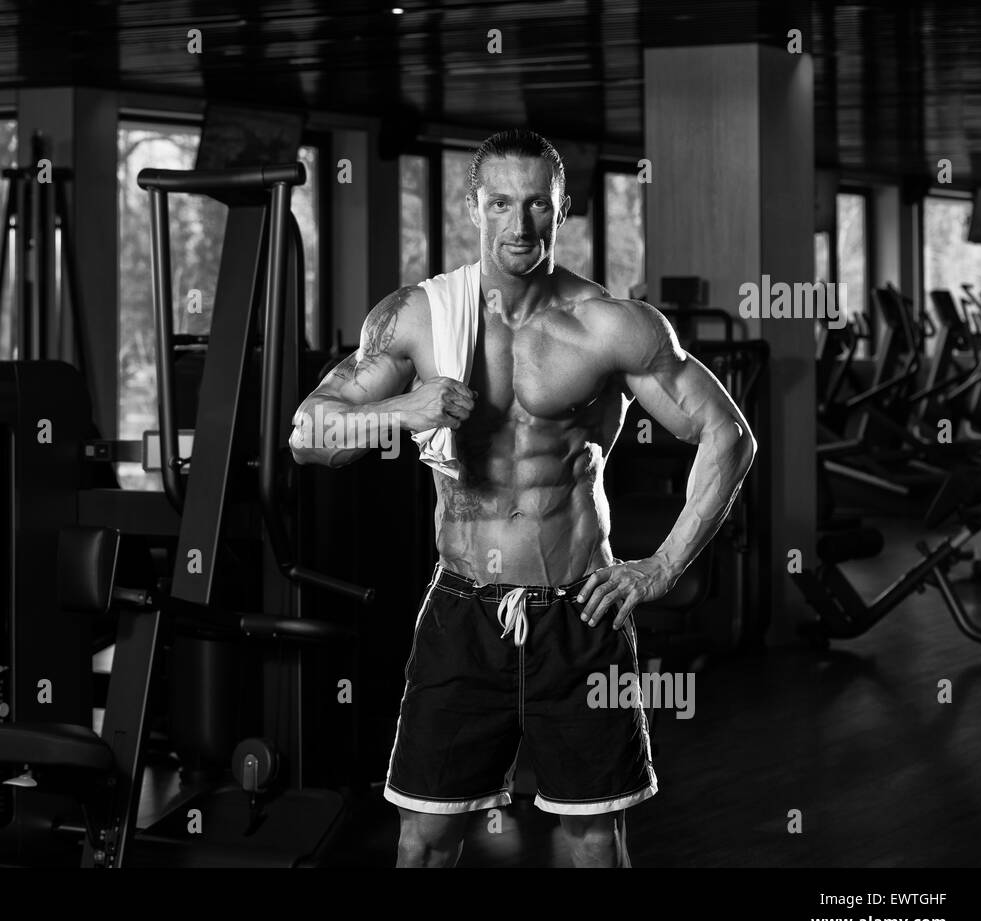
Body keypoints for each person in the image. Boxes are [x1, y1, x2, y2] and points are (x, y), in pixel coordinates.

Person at [289, 129, 756, 867]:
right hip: (462, 611)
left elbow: (728, 434)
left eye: (538, 204)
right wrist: (404, 412)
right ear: (473, 205)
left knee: (593, 840)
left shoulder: (609, 325)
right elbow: (309, 434)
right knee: (424, 841)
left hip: (579, 614)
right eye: (501, 203)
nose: (520, 224)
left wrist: (660, 568)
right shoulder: (417, 317)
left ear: (563, 208)